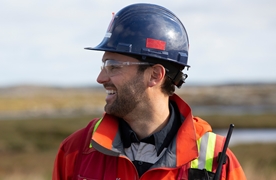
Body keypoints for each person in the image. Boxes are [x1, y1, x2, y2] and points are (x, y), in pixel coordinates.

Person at [52, 3, 246, 180]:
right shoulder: (75, 150)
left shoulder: (217, 160)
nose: (100, 78)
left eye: (113, 66)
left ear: (154, 75)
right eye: (103, 64)